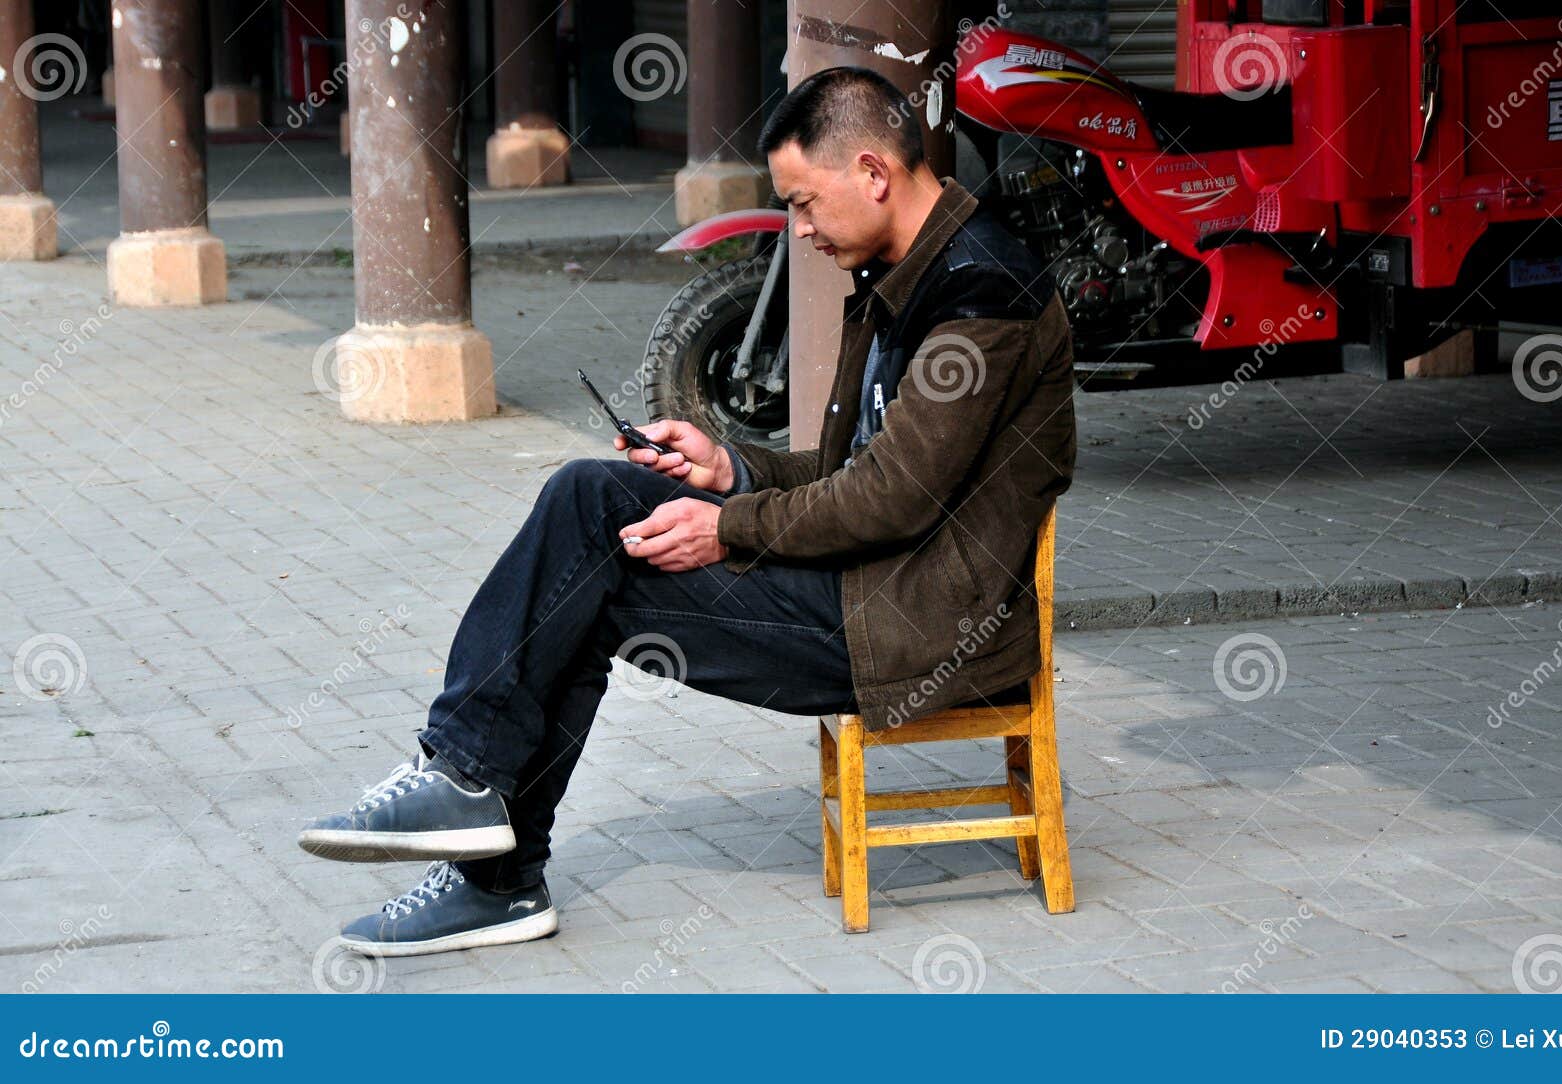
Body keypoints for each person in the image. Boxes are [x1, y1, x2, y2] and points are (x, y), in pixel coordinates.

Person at [298, 66, 1077, 957]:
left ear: (872, 172)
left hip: (911, 627)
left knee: (590, 573)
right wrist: (729, 469)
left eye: (806, 203)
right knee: (592, 505)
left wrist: (725, 526)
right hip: (865, 585)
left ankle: (488, 842)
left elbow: (890, 500)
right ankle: (472, 801)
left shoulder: (981, 296)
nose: (804, 229)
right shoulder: (909, 270)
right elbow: (844, 470)